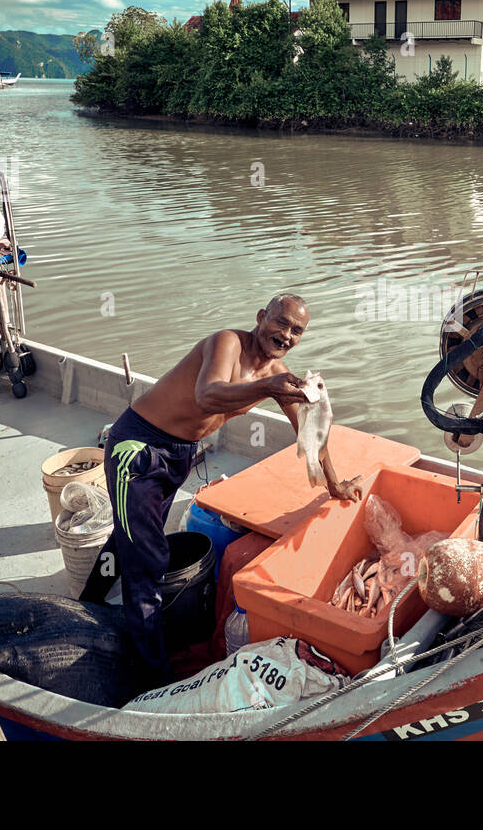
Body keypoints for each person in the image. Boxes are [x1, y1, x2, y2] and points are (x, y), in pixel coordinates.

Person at [79, 293, 362, 684]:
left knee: (131, 537)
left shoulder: (278, 372)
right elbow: (206, 395)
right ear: (261, 317)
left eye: (297, 330)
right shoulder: (227, 342)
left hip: (179, 453)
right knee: (146, 561)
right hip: (138, 449)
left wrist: (335, 484)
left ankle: (86, 603)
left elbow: (311, 432)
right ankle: (153, 676)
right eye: (280, 323)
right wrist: (270, 387)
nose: (286, 335)